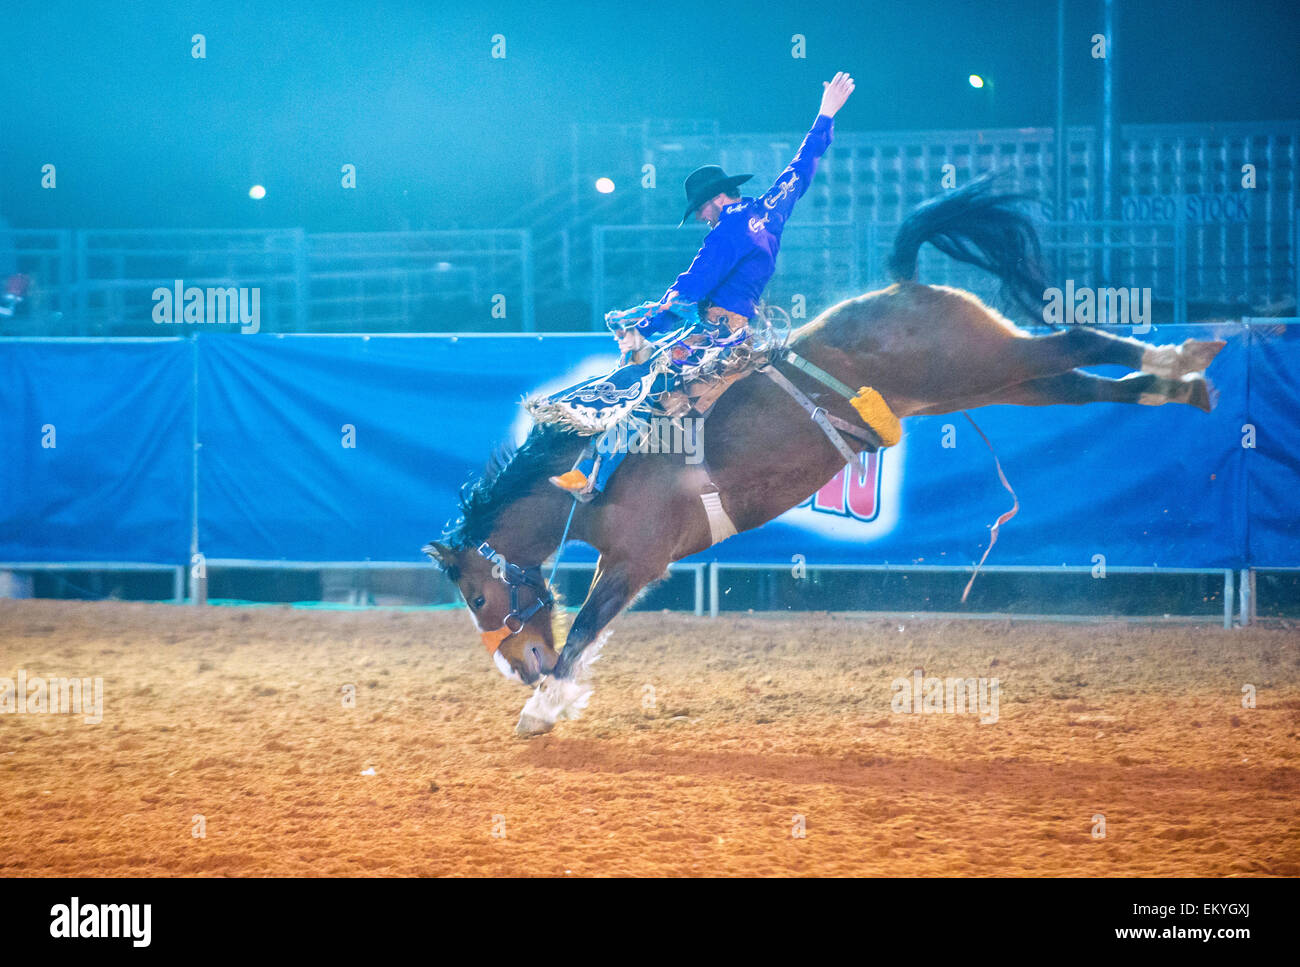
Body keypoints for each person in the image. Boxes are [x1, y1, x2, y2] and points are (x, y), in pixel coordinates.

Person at [549, 71, 856, 497]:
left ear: (713, 200)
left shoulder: (725, 234)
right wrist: (825, 115)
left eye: (699, 209)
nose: (699, 217)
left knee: (645, 382)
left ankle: (593, 477)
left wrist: (640, 323)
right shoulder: (770, 210)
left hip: (716, 333)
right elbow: (800, 169)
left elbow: (688, 291)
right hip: (738, 328)